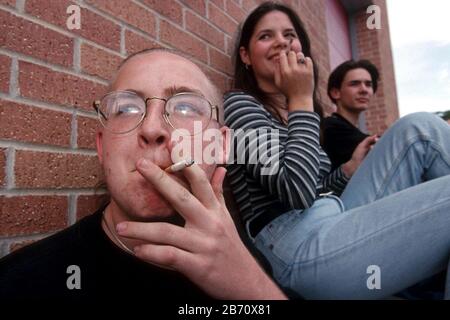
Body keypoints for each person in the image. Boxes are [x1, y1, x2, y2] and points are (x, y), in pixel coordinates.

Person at [0, 48, 287, 301]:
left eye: (186, 107)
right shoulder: (18, 283)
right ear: (102, 146)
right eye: (127, 108)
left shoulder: (254, 263)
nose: (151, 129)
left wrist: (253, 288)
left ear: (221, 146)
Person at [224, 1, 450, 299]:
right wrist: (301, 99)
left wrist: (346, 171)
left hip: (334, 215)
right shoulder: (241, 105)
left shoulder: (297, 111)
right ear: (246, 56)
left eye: (289, 35)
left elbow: (315, 190)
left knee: (419, 128)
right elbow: (297, 192)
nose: (281, 41)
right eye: (266, 36)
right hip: (298, 248)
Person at [322, 60, 379, 170]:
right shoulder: (330, 128)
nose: (364, 90)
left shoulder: (356, 134)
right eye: (354, 84)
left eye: (368, 84)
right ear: (335, 93)